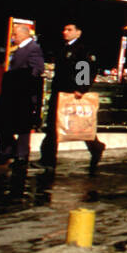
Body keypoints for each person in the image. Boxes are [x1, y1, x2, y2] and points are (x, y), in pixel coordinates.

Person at [37, 22, 107, 172]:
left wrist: (81, 89)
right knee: (52, 125)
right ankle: (48, 159)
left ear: (78, 32)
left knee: (79, 125)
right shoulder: (63, 48)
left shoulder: (81, 49)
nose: (65, 32)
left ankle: (95, 146)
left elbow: (86, 68)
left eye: (69, 30)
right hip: (59, 92)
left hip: (71, 92)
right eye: (64, 29)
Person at [0, 23, 45, 168]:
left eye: (15, 35)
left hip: (23, 94)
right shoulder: (19, 49)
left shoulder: (33, 48)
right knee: (3, 123)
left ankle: (21, 155)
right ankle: (10, 150)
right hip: (13, 93)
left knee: (23, 125)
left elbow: (37, 69)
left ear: (23, 34)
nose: (13, 37)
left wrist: (23, 82)